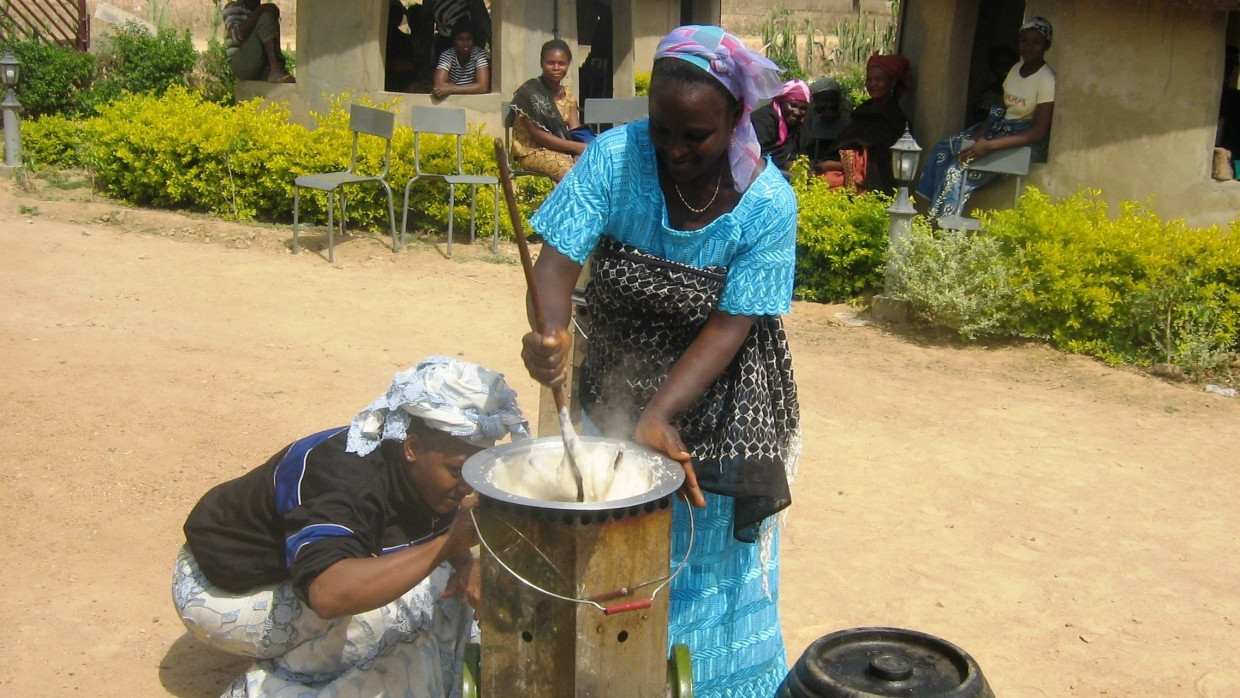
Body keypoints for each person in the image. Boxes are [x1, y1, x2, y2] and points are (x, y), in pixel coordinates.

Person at [519, 25, 801, 698]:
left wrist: (657, 415)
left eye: (695, 136)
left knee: (703, 570)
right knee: (607, 554)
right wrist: (551, 335)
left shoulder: (767, 203)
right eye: (661, 129)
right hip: (608, 376)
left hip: (722, 398)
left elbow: (732, 325)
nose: (674, 149)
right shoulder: (616, 158)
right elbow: (554, 266)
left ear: (735, 116)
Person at [172, 357, 530, 698]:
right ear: (412, 447)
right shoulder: (347, 479)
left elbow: (437, 531)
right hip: (218, 592)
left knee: (449, 597)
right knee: (407, 608)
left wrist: (466, 564)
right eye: (457, 472)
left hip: (294, 573)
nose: (468, 486)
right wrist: (448, 545)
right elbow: (328, 595)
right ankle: (270, 686)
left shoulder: (424, 473)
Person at [917, 17, 1056, 221]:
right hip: (999, 130)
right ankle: (934, 212)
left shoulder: (1047, 80)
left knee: (956, 172)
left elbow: (1037, 133)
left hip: (1022, 143)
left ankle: (947, 231)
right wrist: (980, 136)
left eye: (1036, 42)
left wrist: (989, 146)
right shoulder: (1016, 69)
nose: (1029, 47)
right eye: (1025, 41)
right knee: (944, 149)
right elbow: (999, 108)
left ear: (1047, 45)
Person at [813, 52, 912, 192]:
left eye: (879, 79)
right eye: (869, 79)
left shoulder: (892, 118)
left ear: (892, 82)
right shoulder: (864, 111)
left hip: (868, 183)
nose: (873, 84)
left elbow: (877, 161)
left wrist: (834, 165)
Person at [510, 39, 589, 182]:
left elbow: (575, 130)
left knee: (591, 167)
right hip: (532, 152)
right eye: (551, 63)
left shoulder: (568, 94)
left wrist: (578, 152)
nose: (556, 67)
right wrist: (577, 147)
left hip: (563, 150)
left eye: (562, 63)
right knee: (571, 173)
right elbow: (539, 136)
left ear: (568, 65)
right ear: (541, 63)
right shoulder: (529, 93)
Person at [221, 0, 294, 83]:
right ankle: (274, 70)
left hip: (258, 64)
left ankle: (275, 68)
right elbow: (236, 36)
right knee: (266, 18)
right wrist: (260, 10)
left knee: (269, 17)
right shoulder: (233, 8)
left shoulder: (256, 10)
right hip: (241, 62)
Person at [750, 79, 811, 177]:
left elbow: (797, 155)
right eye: (793, 105)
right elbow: (755, 158)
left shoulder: (799, 128)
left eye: (803, 108)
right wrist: (785, 174)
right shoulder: (763, 120)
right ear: (782, 101)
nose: (797, 112)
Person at [432, 21, 490, 99]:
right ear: (454, 41)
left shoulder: (478, 54)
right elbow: (439, 85)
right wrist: (473, 88)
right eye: (460, 39)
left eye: (469, 39)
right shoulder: (447, 55)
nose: (465, 43)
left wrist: (451, 89)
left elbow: (483, 87)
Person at [803, 76, 853, 166]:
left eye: (833, 100)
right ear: (815, 100)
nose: (829, 105)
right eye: (824, 100)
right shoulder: (806, 112)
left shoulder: (846, 111)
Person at [969, 44, 1020, 126]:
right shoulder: (987, 99)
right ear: (993, 67)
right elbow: (983, 128)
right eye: (1000, 65)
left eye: (1009, 64)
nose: (1005, 68)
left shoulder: (1028, 91)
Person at [385, 0, 418, 92]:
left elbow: (408, 63)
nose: (396, 18)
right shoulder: (379, 38)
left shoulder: (403, 39)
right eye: (392, 14)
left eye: (398, 14)